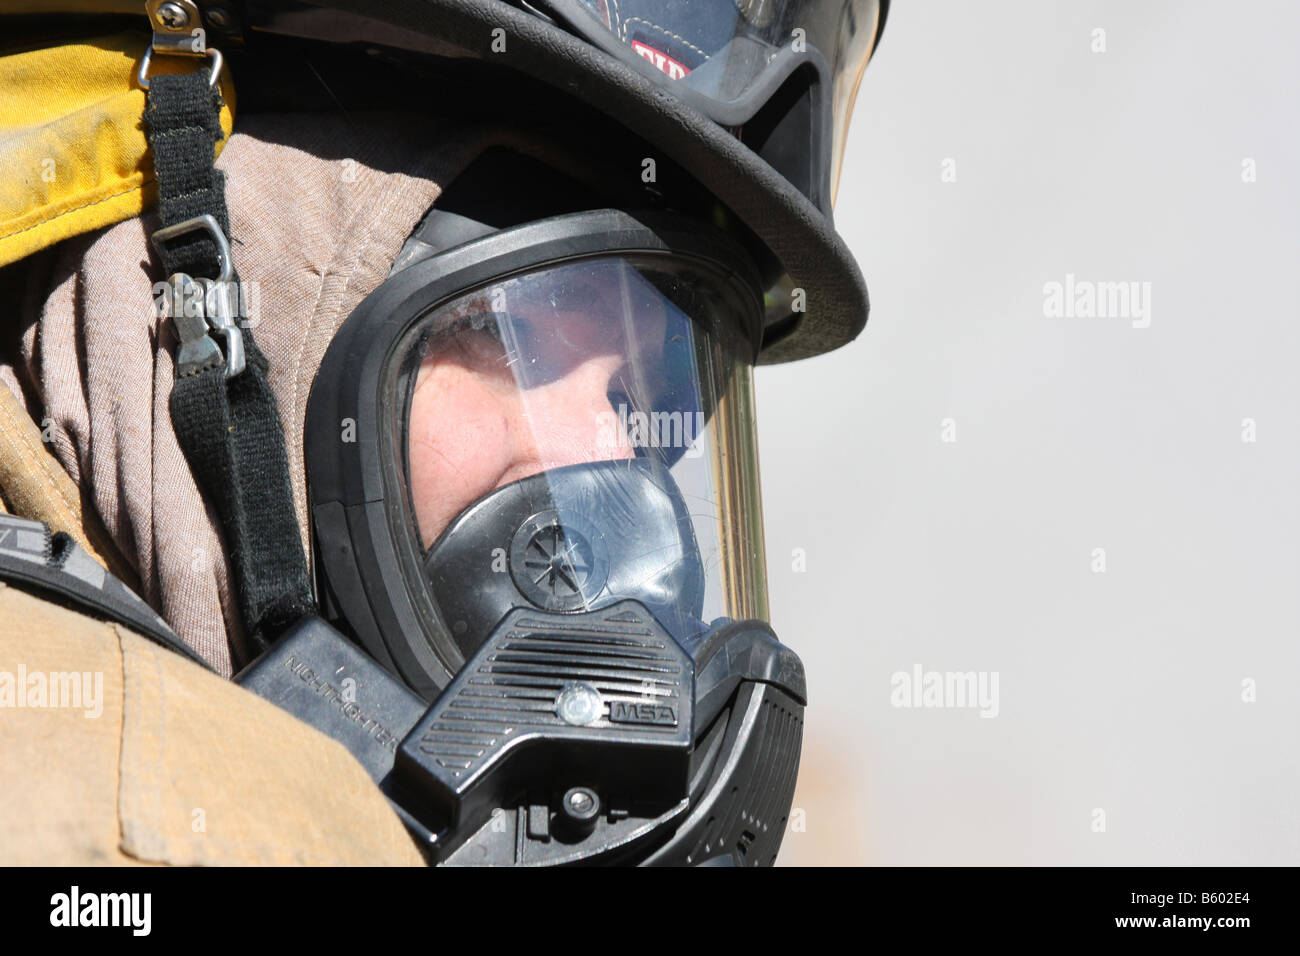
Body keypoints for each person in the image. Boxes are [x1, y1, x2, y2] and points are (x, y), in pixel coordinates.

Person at [0, 0, 889, 866]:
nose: (621, 475)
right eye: (513, 343)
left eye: (642, 406)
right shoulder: (129, 814)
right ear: (189, 302)